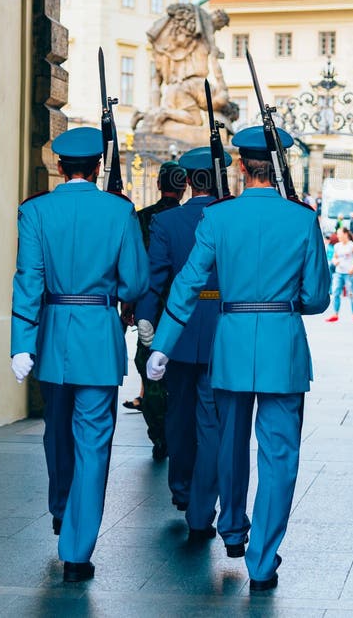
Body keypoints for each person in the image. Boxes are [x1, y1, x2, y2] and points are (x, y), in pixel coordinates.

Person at [146, 126, 330, 593]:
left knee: (228, 440)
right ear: (281, 166)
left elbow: (188, 283)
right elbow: (317, 298)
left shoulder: (219, 217)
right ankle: (262, 560)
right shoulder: (302, 218)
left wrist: (163, 344)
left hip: (230, 342)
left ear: (242, 167)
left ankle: (231, 527)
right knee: (280, 456)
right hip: (282, 345)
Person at [9, 127, 149, 582]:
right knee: (93, 444)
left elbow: (28, 279)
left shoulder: (35, 210)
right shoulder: (119, 210)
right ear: (97, 167)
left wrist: (21, 342)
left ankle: (61, 506)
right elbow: (134, 283)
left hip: (51, 336)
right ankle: (76, 551)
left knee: (56, 431)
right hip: (98, 337)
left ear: (58, 166)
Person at [135, 146, 232, 539]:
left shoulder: (167, 221)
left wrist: (145, 316)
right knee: (211, 420)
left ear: (189, 180)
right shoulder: (231, 218)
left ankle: (181, 487)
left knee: (177, 412)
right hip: (222, 327)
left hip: (178, 327)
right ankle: (202, 509)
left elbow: (154, 277)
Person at [129, 161, 187, 461]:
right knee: (180, 374)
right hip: (181, 311)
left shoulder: (141, 219)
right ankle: (177, 433)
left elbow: (133, 268)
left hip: (149, 309)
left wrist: (130, 307)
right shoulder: (189, 220)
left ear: (158, 185)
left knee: (149, 373)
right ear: (184, 187)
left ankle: (158, 434)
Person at [325, 227, 353, 323]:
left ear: (345, 234)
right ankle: (335, 314)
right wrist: (335, 261)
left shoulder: (352, 245)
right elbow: (334, 257)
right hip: (338, 273)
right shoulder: (337, 246)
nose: (338, 236)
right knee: (335, 293)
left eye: (339, 234)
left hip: (349, 273)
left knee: (351, 294)